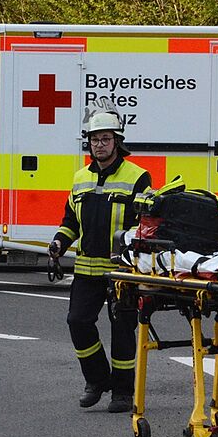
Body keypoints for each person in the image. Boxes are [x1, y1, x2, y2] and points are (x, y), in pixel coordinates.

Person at [48, 102, 151, 413]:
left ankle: (122, 392)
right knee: (78, 322)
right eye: (95, 140)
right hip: (86, 270)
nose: (100, 145)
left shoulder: (138, 177)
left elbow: (145, 225)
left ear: (117, 141)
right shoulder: (80, 178)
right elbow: (71, 222)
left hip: (122, 272)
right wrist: (58, 243)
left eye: (105, 139)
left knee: (122, 331)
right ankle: (97, 380)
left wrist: (132, 252)